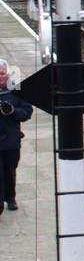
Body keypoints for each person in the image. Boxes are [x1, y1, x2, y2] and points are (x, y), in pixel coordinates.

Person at [0, 59, 33, 211]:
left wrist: (12, 111)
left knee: (9, 171)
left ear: (8, 74)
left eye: (2, 74)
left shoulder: (16, 91)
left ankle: (10, 197)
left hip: (10, 140)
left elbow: (27, 112)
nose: (0, 77)